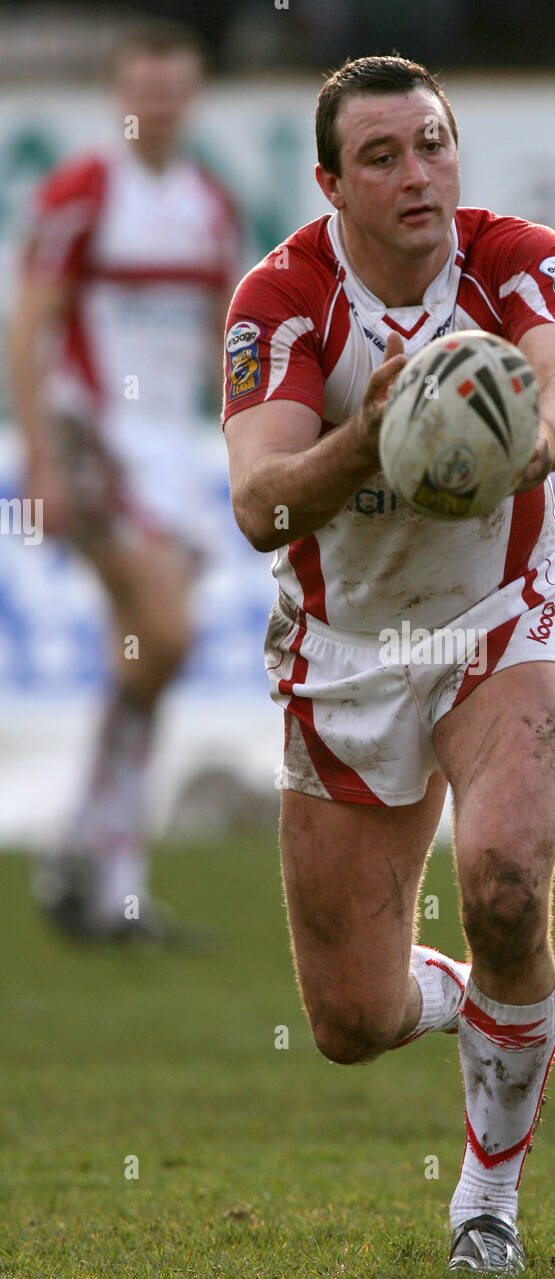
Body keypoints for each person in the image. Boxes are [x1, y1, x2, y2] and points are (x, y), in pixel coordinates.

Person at [223, 55, 555, 1271]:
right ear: (331, 181)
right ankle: (451, 994)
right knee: (350, 1020)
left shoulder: (514, 258)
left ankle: (485, 1200)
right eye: (381, 156)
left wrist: (502, 439)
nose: (417, 173)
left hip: (504, 614)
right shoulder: (279, 300)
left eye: (433, 144)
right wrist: (376, 431)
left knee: (502, 880)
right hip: (345, 654)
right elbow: (260, 504)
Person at [8, 21, 240, 945]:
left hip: (171, 453)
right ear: (119, 96)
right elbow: (27, 327)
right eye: (144, 87)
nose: (159, 104)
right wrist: (40, 460)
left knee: (148, 656)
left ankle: (105, 878)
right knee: (166, 633)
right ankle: (90, 852)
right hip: (90, 437)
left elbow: (236, 335)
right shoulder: (84, 190)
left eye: (175, 88)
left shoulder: (209, 205)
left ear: (194, 97)